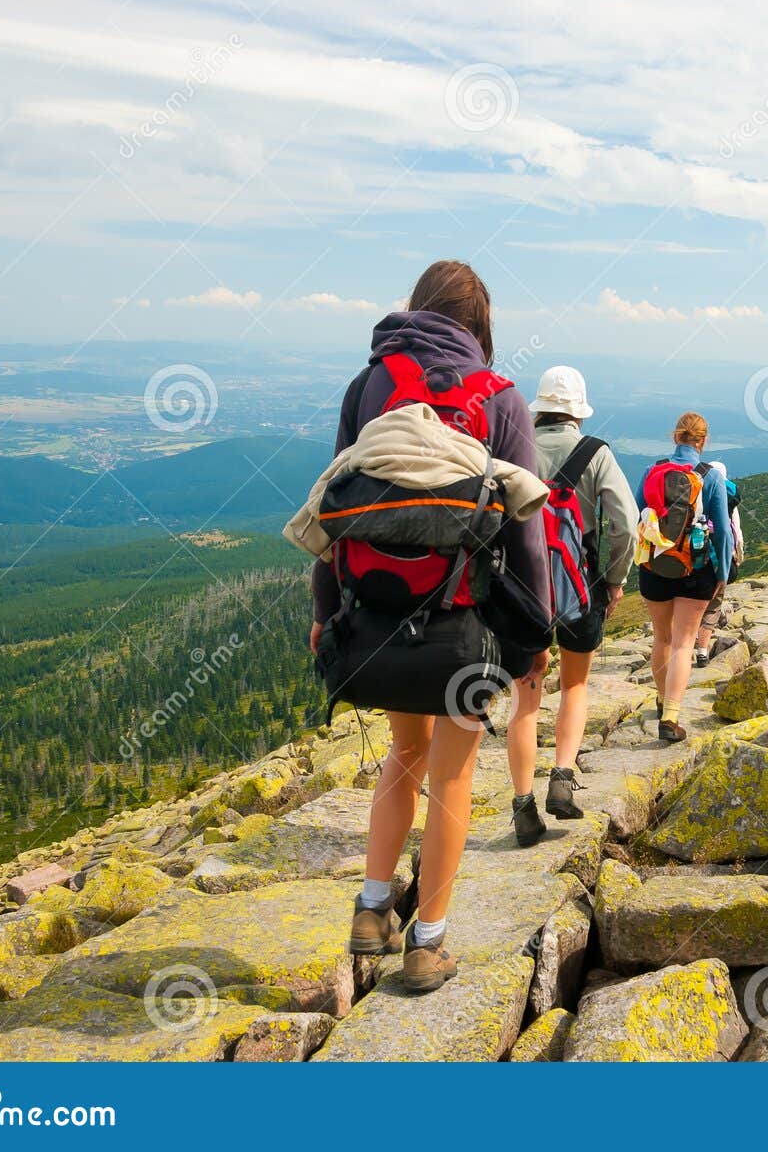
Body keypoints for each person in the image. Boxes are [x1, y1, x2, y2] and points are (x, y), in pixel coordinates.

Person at [307, 260, 549, 993]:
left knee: (402, 753)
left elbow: (332, 501)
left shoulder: (369, 386)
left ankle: (373, 906)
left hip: (377, 612)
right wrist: (533, 637)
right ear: (480, 329)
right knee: (452, 770)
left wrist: (326, 614)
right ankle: (429, 944)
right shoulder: (500, 400)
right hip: (461, 623)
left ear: (417, 310)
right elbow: (527, 533)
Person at [505, 365, 639, 846]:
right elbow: (625, 522)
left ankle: (523, 808)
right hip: (580, 589)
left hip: (522, 593)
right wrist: (614, 580)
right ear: (578, 412)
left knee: (526, 695)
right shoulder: (595, 453)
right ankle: (562, 777)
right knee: (576, 684)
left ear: (539, 408)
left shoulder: (513, 445)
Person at [634, 412, 733, 742]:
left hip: (655, 567)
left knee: (661, 638)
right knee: (684, 641)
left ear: (675, 437)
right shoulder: (711, 477)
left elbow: (637, 516)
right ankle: (672, 717)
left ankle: (662, 702)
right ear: (703, 442)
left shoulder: (653, 470)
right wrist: (721, 574)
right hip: (697, 569)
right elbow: (723, 533)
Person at [694, 457, 744, 668]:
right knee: (713, 606)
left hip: (695, 556)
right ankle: (702, 652)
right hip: (719, 560)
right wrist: (737, 558)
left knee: (692, 605)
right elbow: (735, 533)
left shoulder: (695, 492)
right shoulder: (729, 499)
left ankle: (684, 649)